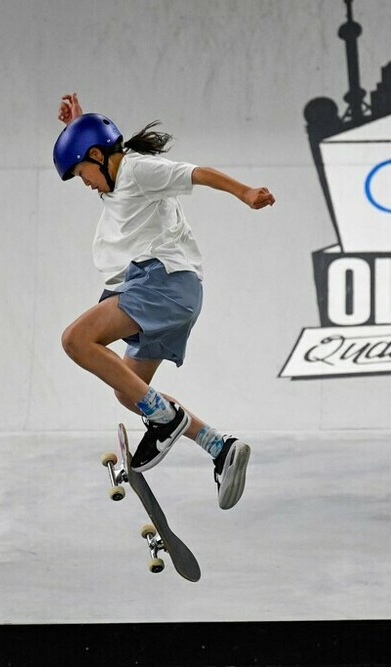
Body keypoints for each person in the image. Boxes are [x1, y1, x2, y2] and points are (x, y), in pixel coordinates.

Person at [54, 92, 275, 510]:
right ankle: (220, 447)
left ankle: (166, 420)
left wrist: (245, 193)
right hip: (170, 297)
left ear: (100, 156)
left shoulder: (139, 170)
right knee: (129, 389)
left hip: (161, 283)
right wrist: (77, 126)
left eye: (84, 173)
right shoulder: (114, 176)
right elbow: (96, 154)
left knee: (75, 340)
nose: (86, 185)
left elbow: (198, 173)